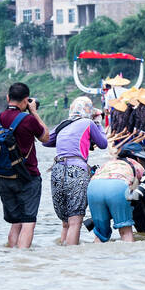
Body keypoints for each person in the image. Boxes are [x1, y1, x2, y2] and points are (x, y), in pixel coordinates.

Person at [45, 95, 107, 245]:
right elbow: (103, 143)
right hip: (77, 171)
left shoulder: (63, 125)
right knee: (75, 222)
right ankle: (73, 259)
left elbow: (45, 141)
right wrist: (98, 123)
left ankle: (63, 253)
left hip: (57, 170)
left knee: (65, 222)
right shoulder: (88, 123)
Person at [0, 82, 49, 249]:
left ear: (8, 98)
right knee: (28, 222)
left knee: (15, 222)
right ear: (26, 100)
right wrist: (34, 112)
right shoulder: (28, 120)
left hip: (4, 176)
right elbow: (45, 137)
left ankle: (11, 260)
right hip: (28, 176)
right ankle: (22, 259)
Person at [88, 143, 145, 243]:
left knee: (100, 233)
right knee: (125, 231)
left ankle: (96, 258)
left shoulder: (108, 163)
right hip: (118, 186)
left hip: (93, 187)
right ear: (138, 158)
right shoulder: (135, 164)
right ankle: (130, 257)